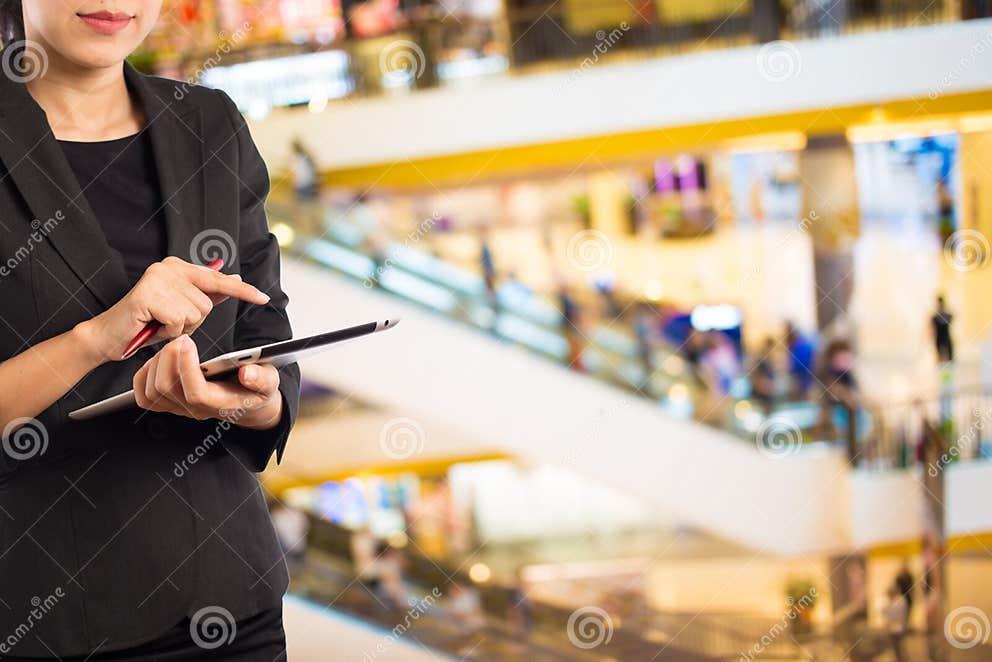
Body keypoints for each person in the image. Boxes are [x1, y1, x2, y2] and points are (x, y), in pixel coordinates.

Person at [0, 7, 301, 660]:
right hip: (49, 620)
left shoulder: (209, 121)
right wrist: (96, 339)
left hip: (234, 602)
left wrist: (254, 396)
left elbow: (264, 323)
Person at [785, 322, 816, 399]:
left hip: (804, 375)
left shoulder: (799, 346)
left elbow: (795, 365)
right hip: (804, 376)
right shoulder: (802, 344)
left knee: (806, 393)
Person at [751, 337, 778, 415]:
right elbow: (756, 380)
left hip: (768, 397)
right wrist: (768, 386)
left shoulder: (769, 361)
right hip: (761, 398)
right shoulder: (760, 361)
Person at [882, 583, 908, 662]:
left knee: (898, 645)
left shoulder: (899, 602)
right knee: (896, 646)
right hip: (894, 627)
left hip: (898, 627)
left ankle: (901, 658)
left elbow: (900, 615)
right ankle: (899, 658)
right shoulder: (896, 602)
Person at [932, 296, 954, 363]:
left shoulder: (935, 317)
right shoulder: (947, 316)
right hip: (944, 339)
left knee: (944, 359)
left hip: (942, 339)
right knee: (946, 359)